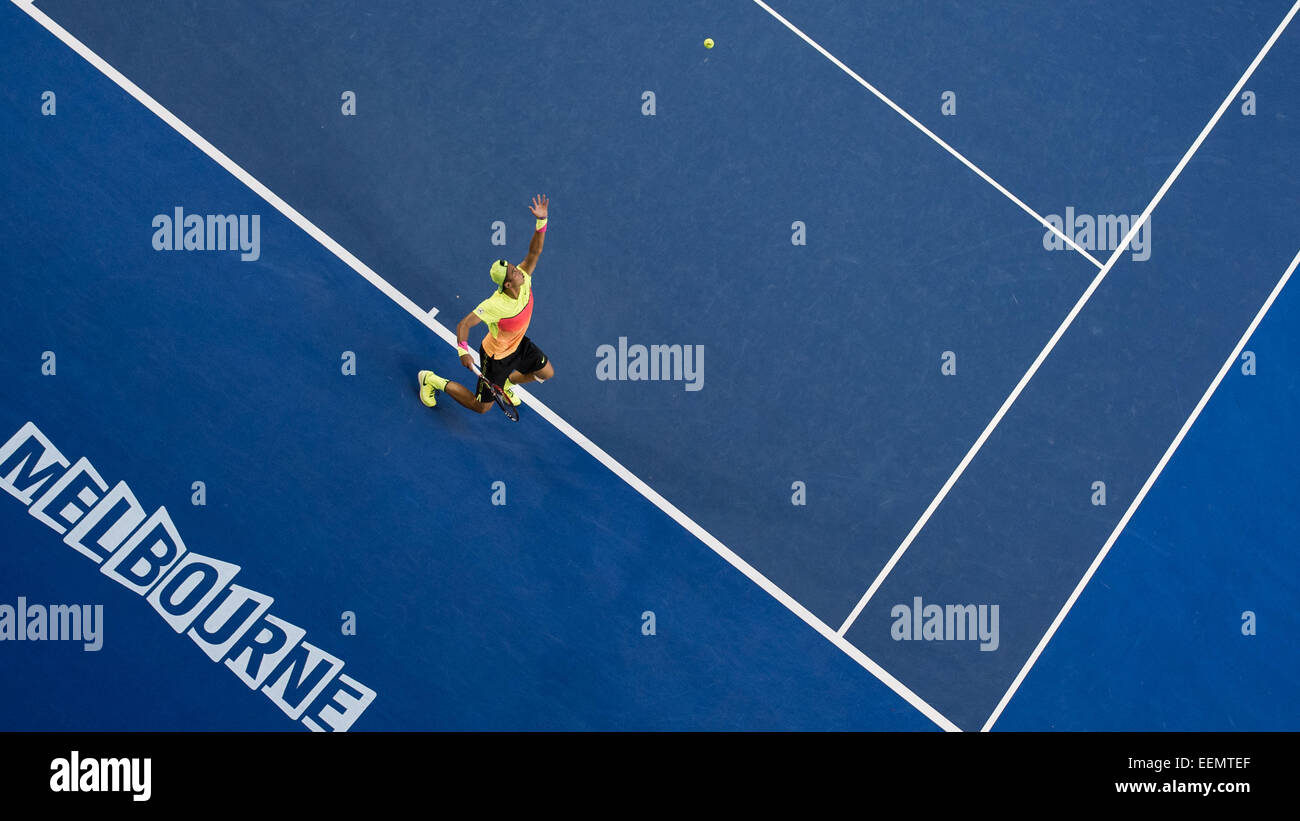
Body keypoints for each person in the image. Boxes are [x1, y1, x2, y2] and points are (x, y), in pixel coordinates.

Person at [419, 194, 555, 414]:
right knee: (480, 407)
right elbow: (464, 324)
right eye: (513, 271)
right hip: (496, 358)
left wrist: (542, 220)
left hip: (518, 345)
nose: (518, 270)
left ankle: (508, 383)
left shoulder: (524, 278)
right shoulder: (495, 305)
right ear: (508, 284)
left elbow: (534, 251)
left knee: (546, 373)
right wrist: (463, 351)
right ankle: (431, 380)